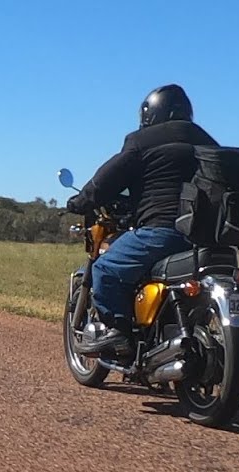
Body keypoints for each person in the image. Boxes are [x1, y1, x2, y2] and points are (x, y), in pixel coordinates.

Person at [65, 84, 218, 355]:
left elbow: (105, 181)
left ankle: (118, 333)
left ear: (151, 114)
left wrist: (80, 202)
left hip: (162, 231)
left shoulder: (141, 141)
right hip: (206, 238)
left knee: (105, 269)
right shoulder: (207, 142)